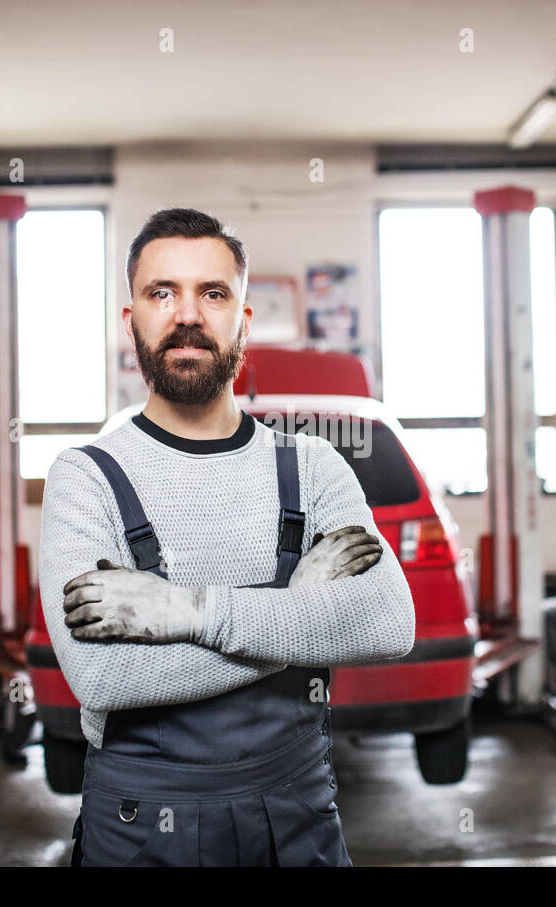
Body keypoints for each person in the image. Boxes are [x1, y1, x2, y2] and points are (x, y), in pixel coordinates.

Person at [38, 207, 416, 866]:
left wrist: (186, 612)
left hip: (297, 822)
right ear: (132, 322)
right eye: (163, 293)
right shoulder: (85, 478)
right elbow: (102, 675)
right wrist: (301, 616)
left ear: (243, 321)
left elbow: (387, 624)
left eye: (212, 293)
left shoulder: (312, 468)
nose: (188, 315)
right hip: (139, 833)